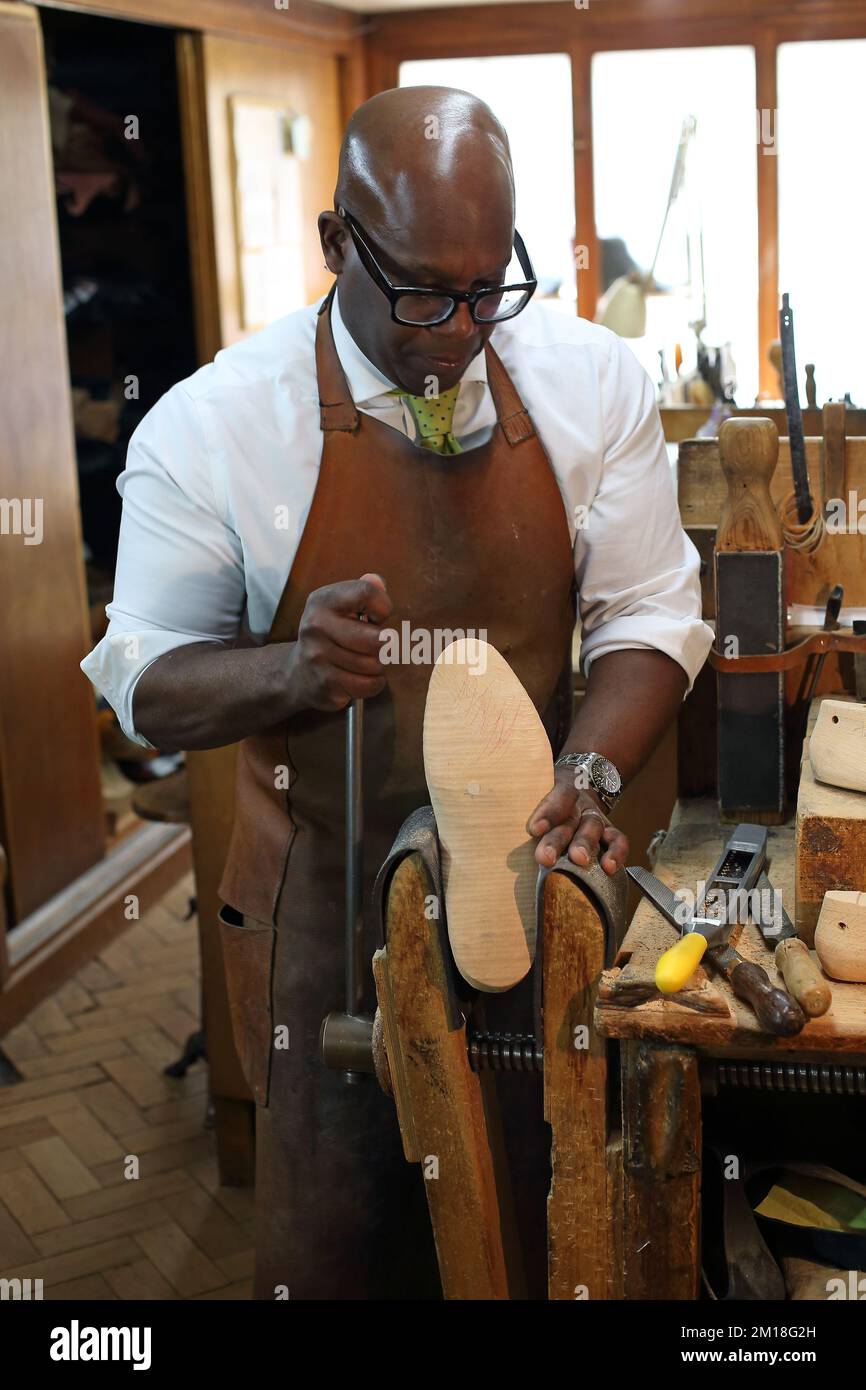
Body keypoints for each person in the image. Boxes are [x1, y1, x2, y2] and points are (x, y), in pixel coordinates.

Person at [82, 85, 714, 1299]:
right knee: (342, 1245)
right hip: (324, 904)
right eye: (424, 290)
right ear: (336, 246)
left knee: (554, 1222)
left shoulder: (586, 382)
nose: (461, 328)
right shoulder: (215, 429)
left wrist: (585, 772)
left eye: (490, 288)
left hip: (537, 880)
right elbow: (140, 685)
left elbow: (648, 611)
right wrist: (287, 669)